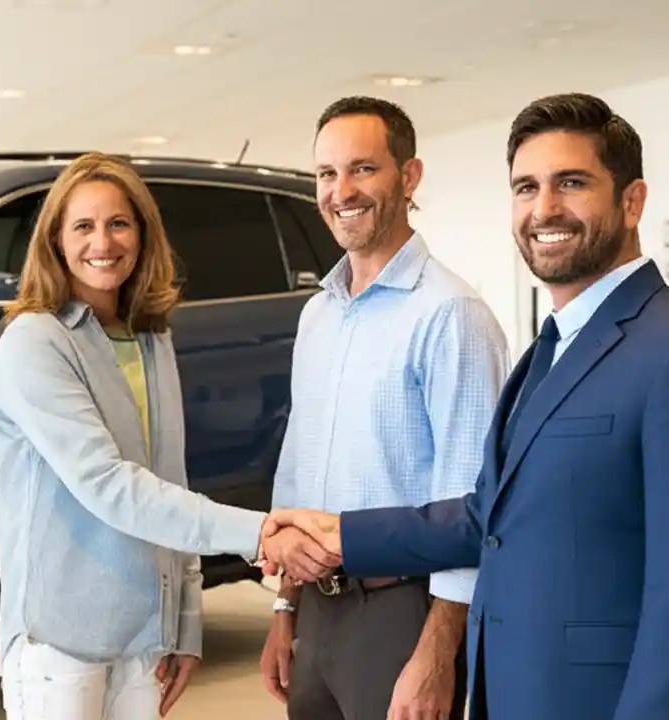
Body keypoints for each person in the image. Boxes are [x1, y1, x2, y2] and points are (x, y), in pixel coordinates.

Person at [263, 93, 669, 720]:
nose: (544, 208)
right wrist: (343, 535)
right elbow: (486, 521)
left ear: (632, 200)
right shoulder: (548, 353)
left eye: (572, 183)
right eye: (525, 187)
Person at [0, 152, 336, 720]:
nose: (103, 241)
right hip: (60, 645)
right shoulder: (35, 343)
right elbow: (109, 485)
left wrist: (185, 626)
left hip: (143, 638)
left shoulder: (150, 339)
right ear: (54, 240)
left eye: (119, 223)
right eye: (83, 225)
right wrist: (259, 534)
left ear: (143, 234)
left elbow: (169, 480)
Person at [258, 96, 509, 720]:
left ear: (409, 176)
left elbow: (470, 505)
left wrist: (436, 653)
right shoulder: (319, 313)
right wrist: (285, 607)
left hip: (401, 615)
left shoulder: (451, 316)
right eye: (326, 174)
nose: (341, 190)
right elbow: (298, 468)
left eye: (363, 169)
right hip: (318, 610)